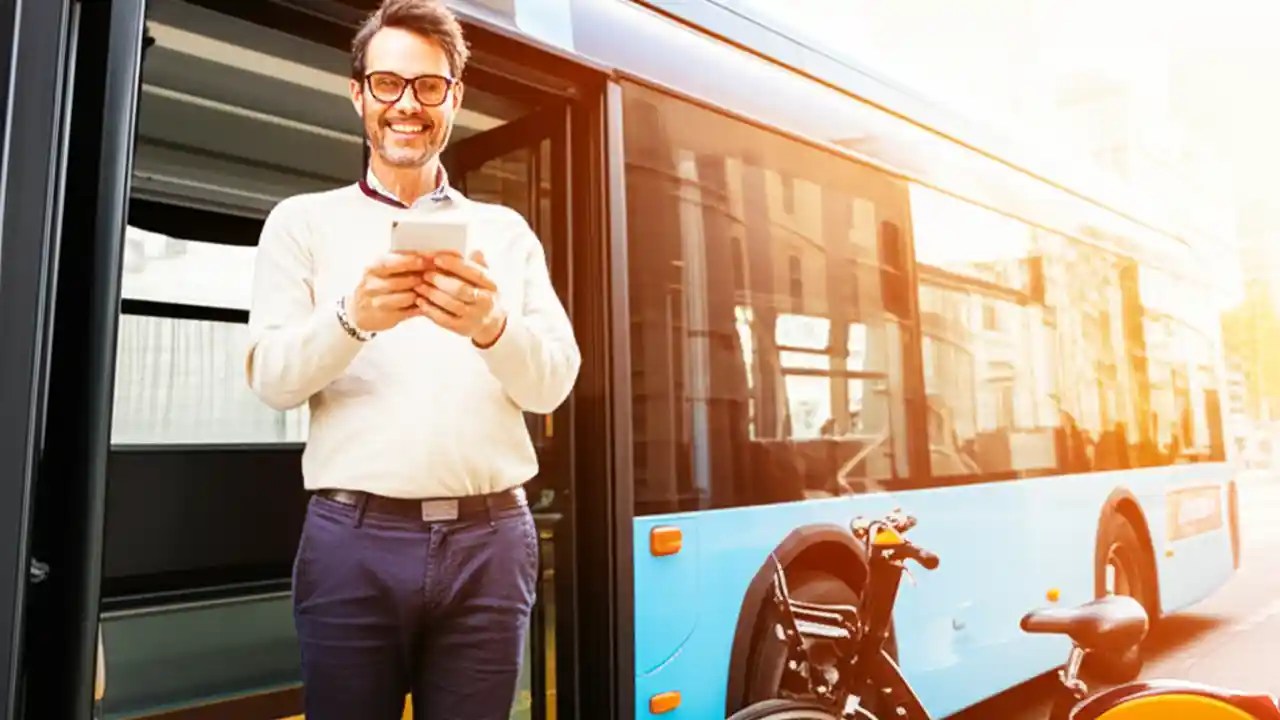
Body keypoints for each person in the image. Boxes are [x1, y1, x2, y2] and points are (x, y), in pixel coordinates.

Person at [243, 0, 580, 717]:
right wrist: (350, 319)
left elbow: (553, 384)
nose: (408, 105)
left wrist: (493, 327)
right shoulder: (302, 223)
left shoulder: (505, 231)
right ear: (358, 91)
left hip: (492, 541)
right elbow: (271, 380)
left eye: (430, 87)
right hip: (352, 539)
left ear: (454, 98)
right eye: (388, 83)